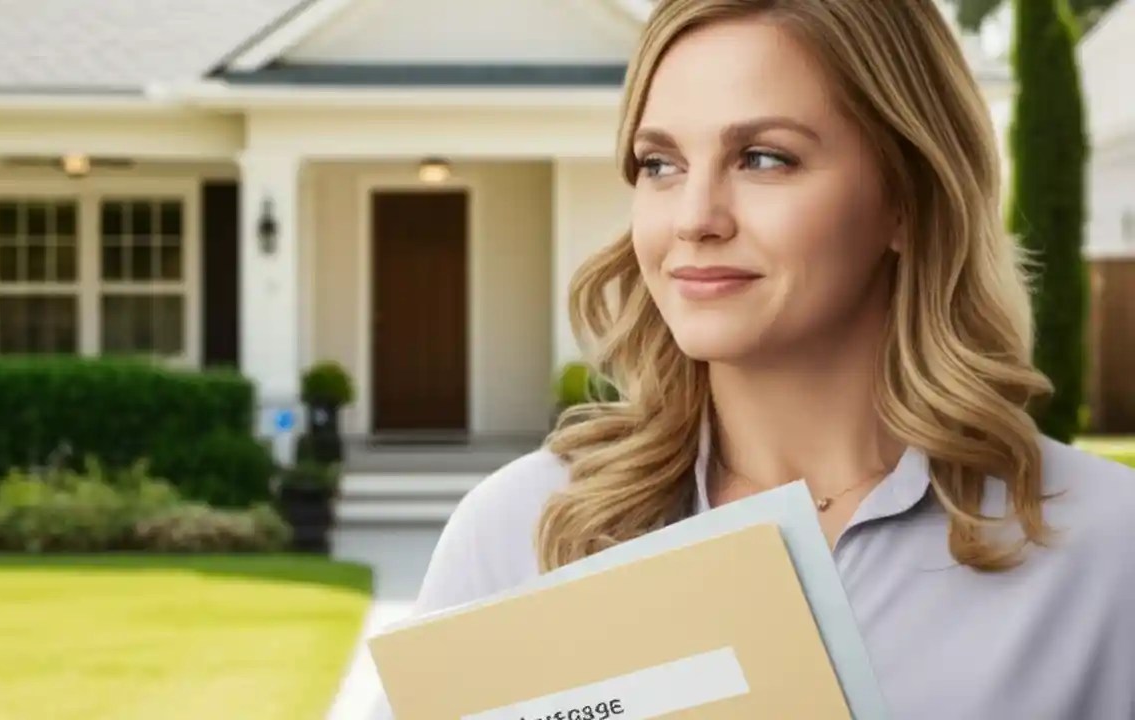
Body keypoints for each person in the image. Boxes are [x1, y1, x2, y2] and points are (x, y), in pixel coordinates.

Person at [384, 1, 1135, 718]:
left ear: (906, 199)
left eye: (764, 158)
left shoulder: (1106, 552)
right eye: (660, 164)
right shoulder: (518, 532)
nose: (695, 218)